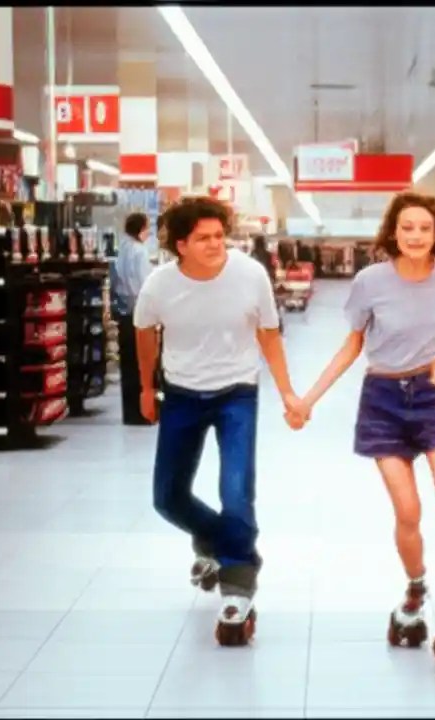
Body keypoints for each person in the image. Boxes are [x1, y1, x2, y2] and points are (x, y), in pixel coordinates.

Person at [286, 191, 435, 673]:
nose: (415, 236)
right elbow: (352, 346)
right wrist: (307, 399)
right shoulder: (369, 281)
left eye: (425, 228)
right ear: (393, 232)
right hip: (383, 399)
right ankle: (415, 589)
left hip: (434, 396)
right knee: (408, 511)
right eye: (407, 227)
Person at [133, 196, 299, 647]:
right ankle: (216, 538)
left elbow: (269, 334)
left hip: (237, 392)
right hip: (182, 393)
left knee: (236, 489)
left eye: (219, 236)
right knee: (167, 497)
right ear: (180, 245)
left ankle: (238, 581)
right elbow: (144, 331)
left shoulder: (250, 274)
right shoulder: (159, 285)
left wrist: (286, 391)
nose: (215, 245)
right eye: (203, 238)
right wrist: (147, 388)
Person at [110, 212, 155, 425]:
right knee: (141, 364)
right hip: (139, 313)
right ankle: (141, 412)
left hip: (124, 312)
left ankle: (129, 413)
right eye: (147, 227)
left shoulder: (123, 249)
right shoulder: (139, 251)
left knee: (128, 364)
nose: (149, 232)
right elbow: (144, 284)